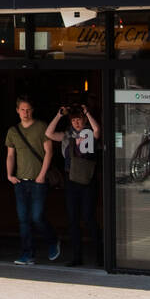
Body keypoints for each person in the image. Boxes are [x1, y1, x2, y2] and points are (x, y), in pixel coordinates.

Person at [5, 96, 61, 264]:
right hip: (20, 181)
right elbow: (10, 155)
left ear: (33, 110)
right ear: (17, 110)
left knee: (37, 217)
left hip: (38, 180)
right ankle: (27, 254)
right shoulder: (13, 131)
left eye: (28, 109)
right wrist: (9, 175)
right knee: (23, 220)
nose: (25, 113)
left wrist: (42, 175)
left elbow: (49, 152)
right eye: (22, 109)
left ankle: (53, 240)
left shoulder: (41, 127)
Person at [46, 103, 102, 266]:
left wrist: (88, 113)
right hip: (71, 179)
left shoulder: (89, 133)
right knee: (73, 219)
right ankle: (77, 256)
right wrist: (59, 115)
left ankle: (101, 255)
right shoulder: (67, 135)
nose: (77, 122)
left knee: (88, 217)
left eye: (79, 119)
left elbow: (97, 131)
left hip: (87, 180)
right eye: (74, 119)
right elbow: (48, 133)